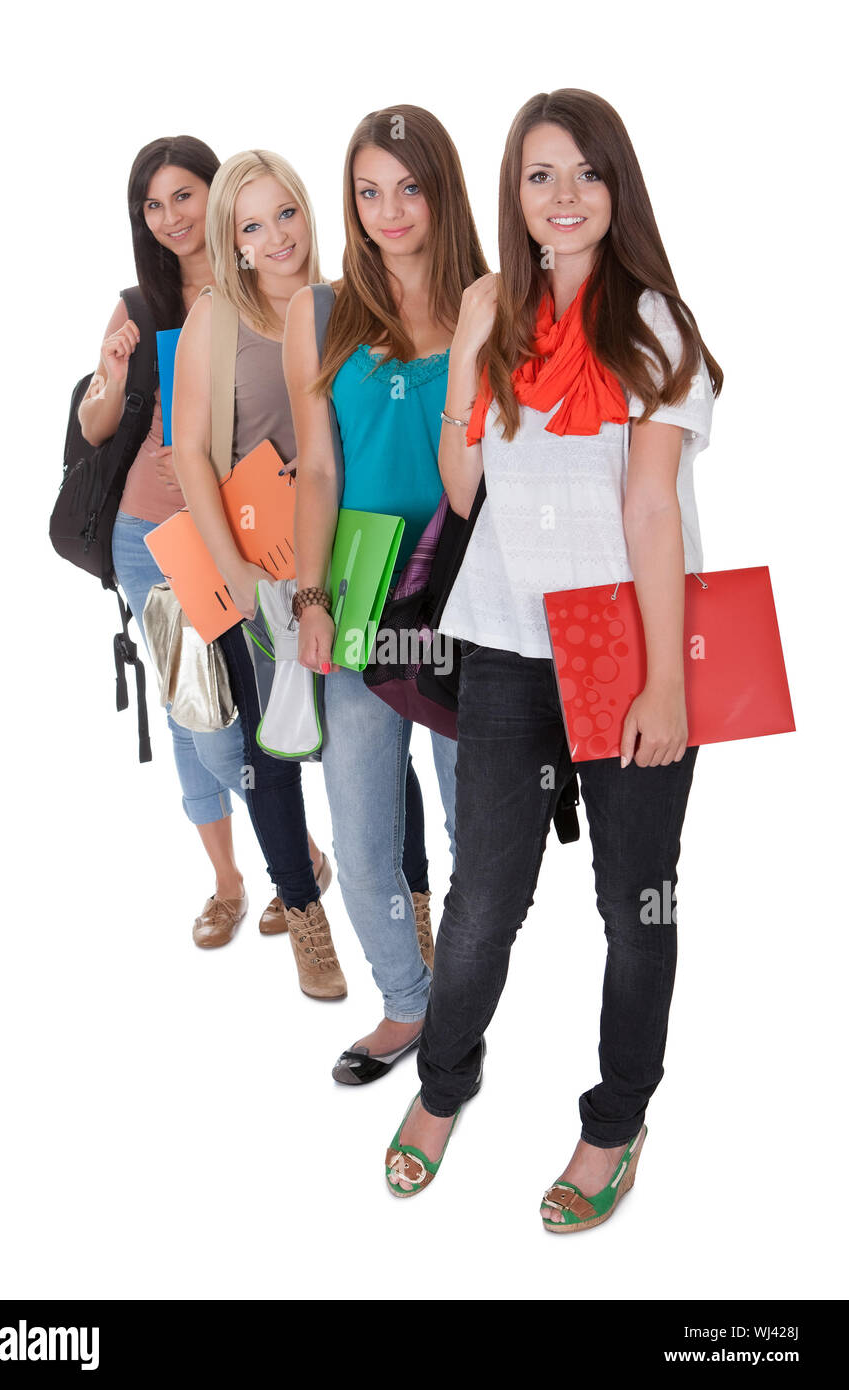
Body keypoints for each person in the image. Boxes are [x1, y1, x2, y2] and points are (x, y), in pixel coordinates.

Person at [385, 89, 722, 1229]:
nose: (562, 196)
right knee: (483, 900)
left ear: (616, 186)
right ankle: (443, 1083)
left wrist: (665, 679)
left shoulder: (656, 328)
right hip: (504, 637)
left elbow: (651, 511)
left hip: (620, 638)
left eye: (583, 172)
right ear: (514, 196)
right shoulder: (498, 313)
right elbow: (467, 488)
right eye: (538, 175)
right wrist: (473, 347)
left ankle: (615, 1121)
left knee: (636, 905)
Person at [80, 136, 330, 953]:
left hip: (238, 529)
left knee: (234, 720)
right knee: (186, 712)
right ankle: (228, 881)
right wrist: (113, 379)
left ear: (218, 198)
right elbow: (93, 427)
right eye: (153, 206)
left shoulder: (258, 279)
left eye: (184, 196)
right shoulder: (139, 304)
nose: (170, 218)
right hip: (144, 533)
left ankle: (296, 857)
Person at [284, 106, 490, 1078]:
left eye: (408, 187)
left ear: (442, 191)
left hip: (466, 595)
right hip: (363, 597)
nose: (388, 210)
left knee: (477, 835)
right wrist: (310, 599)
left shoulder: (496, 304)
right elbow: (317, 471)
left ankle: (459, 1008)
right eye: (368, 191)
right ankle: (404, 1005)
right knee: (362, 834)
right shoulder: (316, 313)